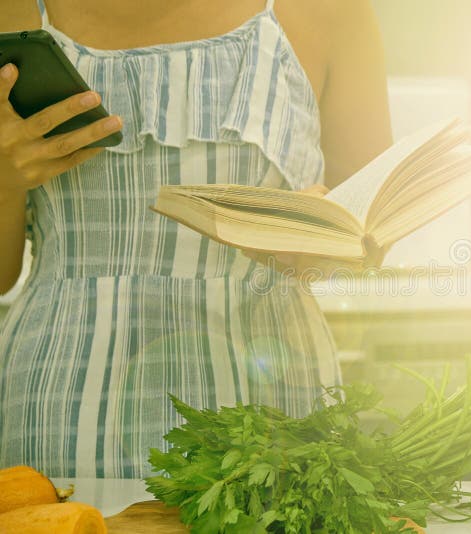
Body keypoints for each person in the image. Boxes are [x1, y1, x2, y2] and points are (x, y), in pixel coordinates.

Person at [0, 0, 393, 478]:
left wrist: (323, 236)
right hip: (58, 406)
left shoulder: (330, 11)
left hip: (271, 409)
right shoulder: (12, 15)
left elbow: (372, 238)